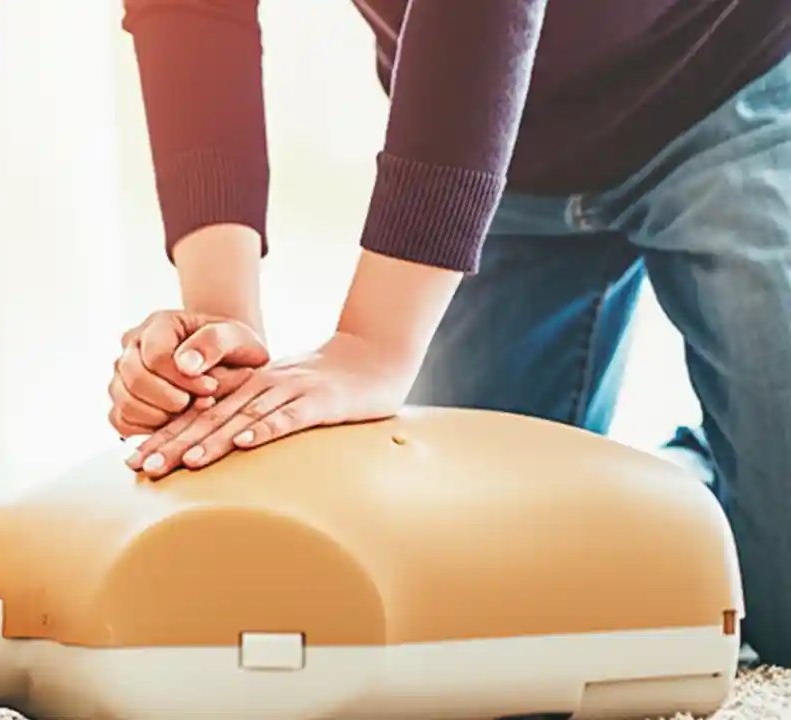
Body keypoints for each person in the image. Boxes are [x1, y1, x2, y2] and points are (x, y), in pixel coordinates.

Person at [107, 0, 791, 666]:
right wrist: (222, 344)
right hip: (505, 147)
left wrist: (373, 346)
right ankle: (696, 478)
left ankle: (735, 476)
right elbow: (191, 9)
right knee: (473, 602)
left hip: (728, 74)